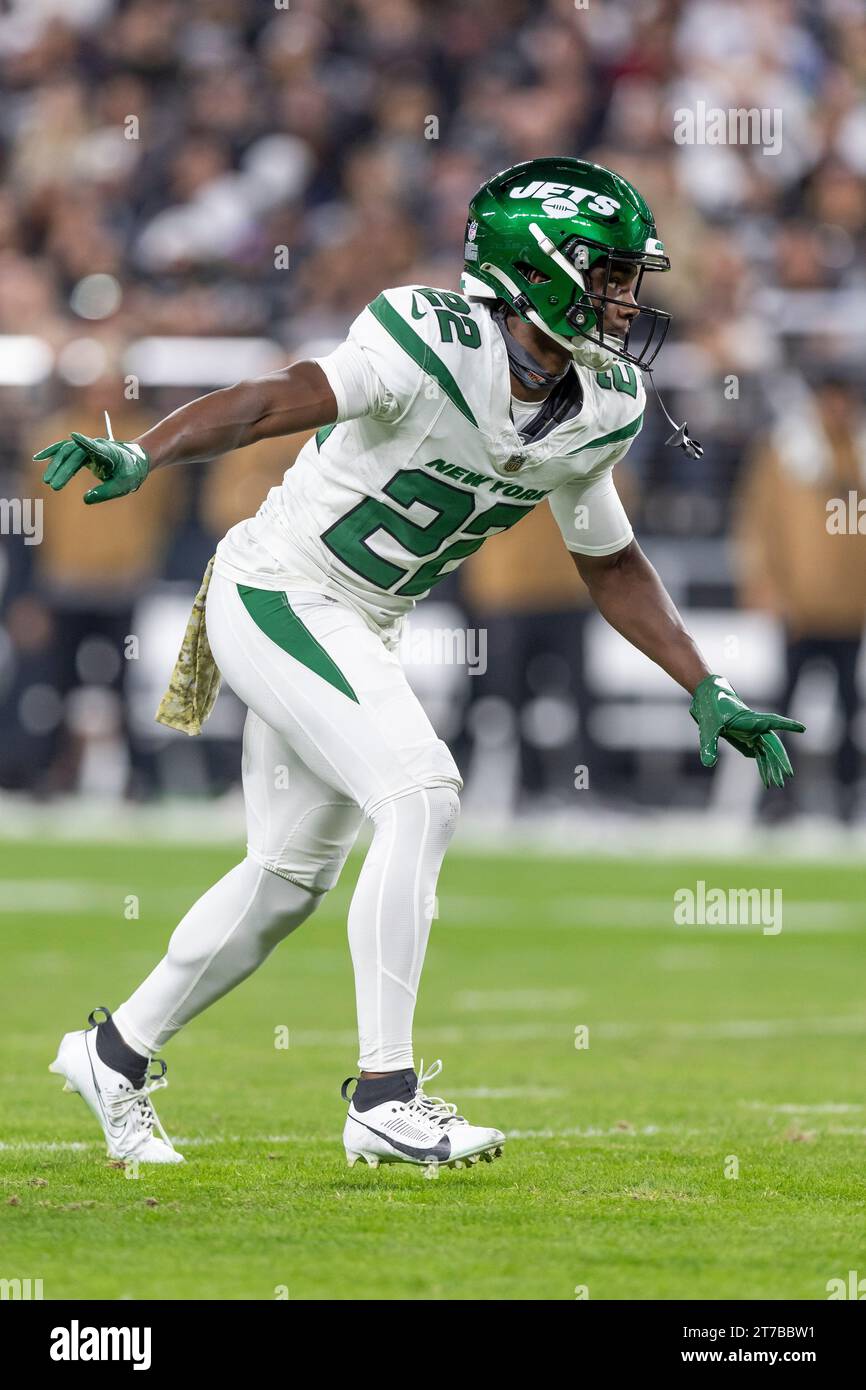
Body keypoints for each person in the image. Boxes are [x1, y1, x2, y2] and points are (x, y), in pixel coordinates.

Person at [37, 157, 804, 1173]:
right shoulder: (426, 338)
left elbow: (610, 562)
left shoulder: (599, 403)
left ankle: (114, 1052)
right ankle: (385, 1096)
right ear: (536, 267)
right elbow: (277, 399)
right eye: (608, 273)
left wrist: (700, 681)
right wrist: (149, 450)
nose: (627, 297)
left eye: (629, 277)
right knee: (423, 790)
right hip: (279, 589)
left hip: (365, 618)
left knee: (284, 882)